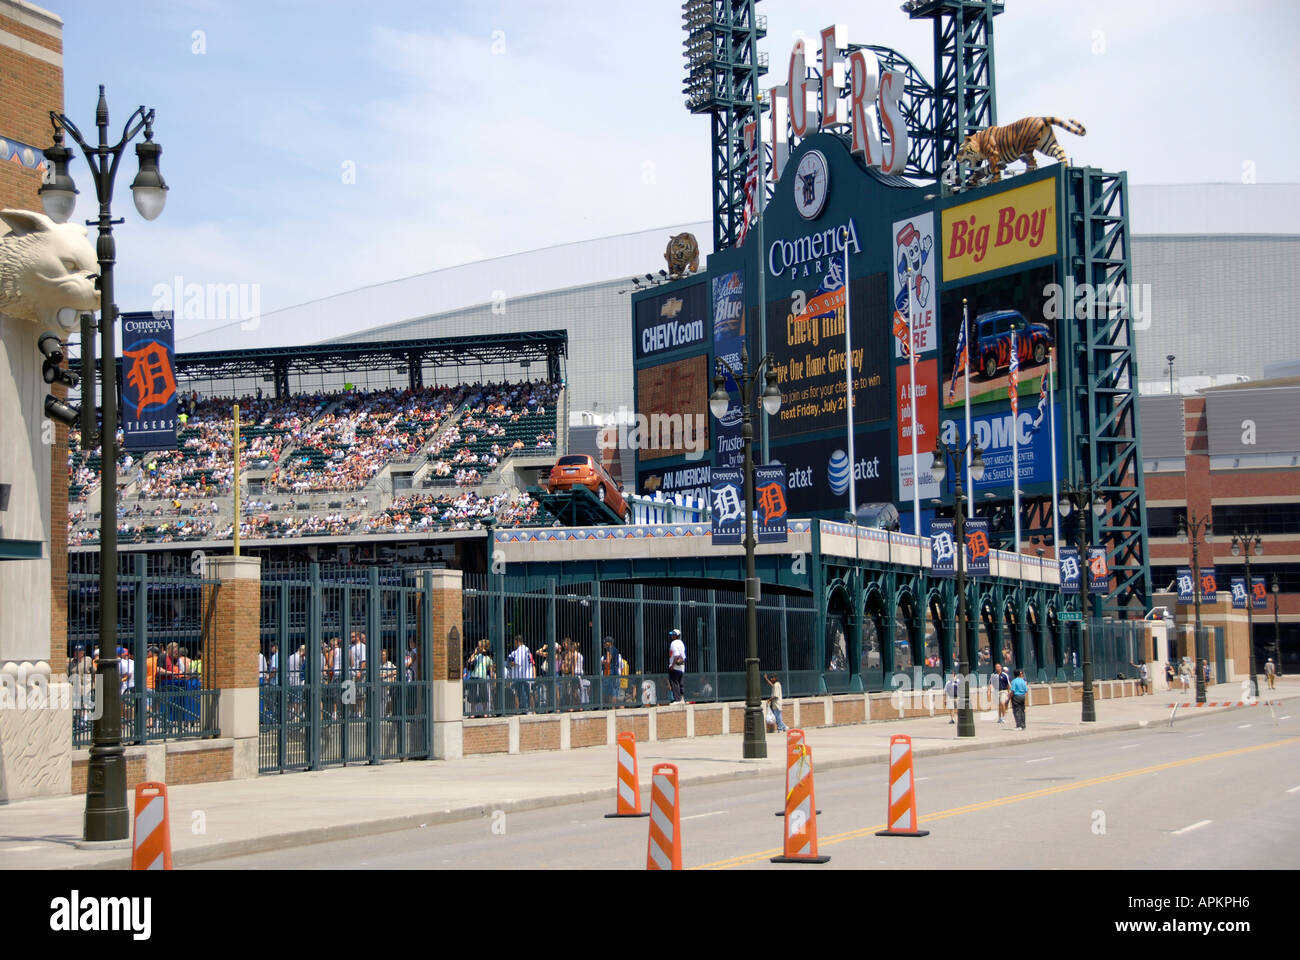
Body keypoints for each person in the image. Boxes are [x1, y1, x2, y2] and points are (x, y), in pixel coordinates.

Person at [667, 628, 686, 704]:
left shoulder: (674, 643)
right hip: (682, 667)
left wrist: (672, 665)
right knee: (680, 683)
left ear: (675, 636)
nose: (671, 636)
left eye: (672, 634)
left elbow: (676, 655)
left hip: (675, 667)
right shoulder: (681, 643)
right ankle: (682, 699)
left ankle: (677, 700)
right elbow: (683, 656)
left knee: (674, 683)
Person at [602, 637, 622, 707]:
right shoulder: (615, 649)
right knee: (614, 690)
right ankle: (613, 707)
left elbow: (608, 661)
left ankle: (612, 707)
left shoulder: (609, 650)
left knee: (610, 691)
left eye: (605, 642)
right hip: (615, 672)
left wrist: (602, 662)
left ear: (609, 643)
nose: (604, 644)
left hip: (610, 672)